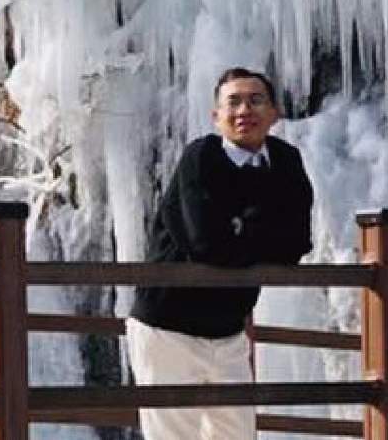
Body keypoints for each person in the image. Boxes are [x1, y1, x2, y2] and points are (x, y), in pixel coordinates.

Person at [126, 67, 316, 440]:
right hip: (167, 327)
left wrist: (239, 226)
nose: (245, 109)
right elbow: (204, 242)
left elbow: (296, 243)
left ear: (274, 113)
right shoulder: (201, 158)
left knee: (238, 435)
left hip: (228, 331)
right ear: (216, 117)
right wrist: (261, 232)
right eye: (234, 102)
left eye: (256, 100)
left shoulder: (285, 162)